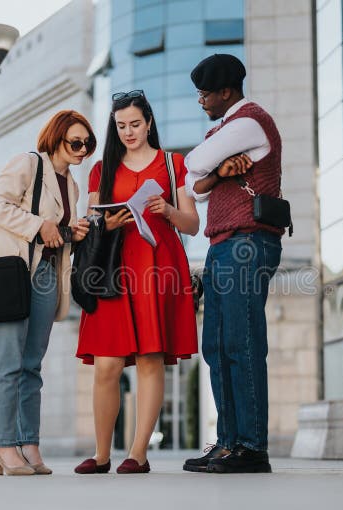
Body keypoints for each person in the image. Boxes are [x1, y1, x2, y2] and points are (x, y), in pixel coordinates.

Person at [75, 90, 200, 474]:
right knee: (106, 366)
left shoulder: (172, 162)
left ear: (149, 123)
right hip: (113, 269)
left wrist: (168, 210)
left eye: (135, 124)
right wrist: (105, 223)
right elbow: (91, 222)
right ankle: (100, 455)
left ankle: (138, 454)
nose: (128, 132)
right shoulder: (102, 169)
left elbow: (193, 225)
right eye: (121, 126)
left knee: (150, 359)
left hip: (157, 265)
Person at [0, 110, 95, 476]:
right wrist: (38, 225)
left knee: (31, 366)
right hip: (13, 272)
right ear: (57, 137)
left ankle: (29, 445)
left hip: (47, 276)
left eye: (88, 144)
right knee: (6, 364)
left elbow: (55, 234)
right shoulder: (29, 164)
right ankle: (2, 446)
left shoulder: (72, 184)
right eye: (76, 142)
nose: (82, 149)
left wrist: (72, 234)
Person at [183, 54, 284, 474]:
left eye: (205, 94)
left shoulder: (249, 121)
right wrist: (221, 169)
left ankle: (251, 447)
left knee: (242, 344)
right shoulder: (224, 131)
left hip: (248, 242)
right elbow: (195, 187)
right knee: (218, 347)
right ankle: (228, 443)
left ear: (226, 91)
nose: (202, 101)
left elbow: (190, 165)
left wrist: (212, 167)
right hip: (224, 244)